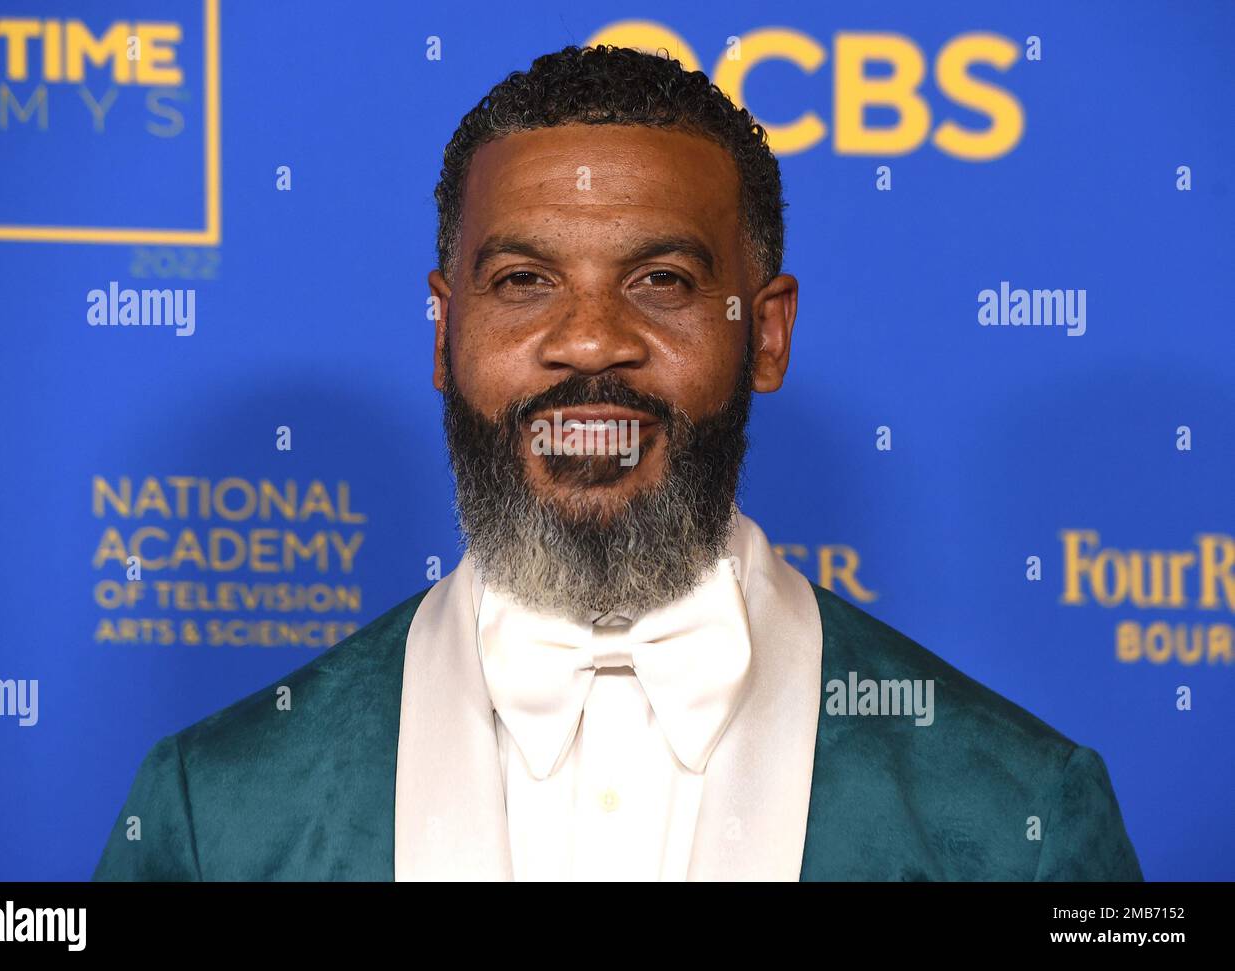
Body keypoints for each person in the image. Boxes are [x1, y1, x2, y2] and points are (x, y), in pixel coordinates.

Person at [93, 44, 1142, 882]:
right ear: (441, 331)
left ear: (764, 335)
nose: (590, 340)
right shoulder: (212, 809)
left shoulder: (1017, 814)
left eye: (661, 280)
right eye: (521, 281)